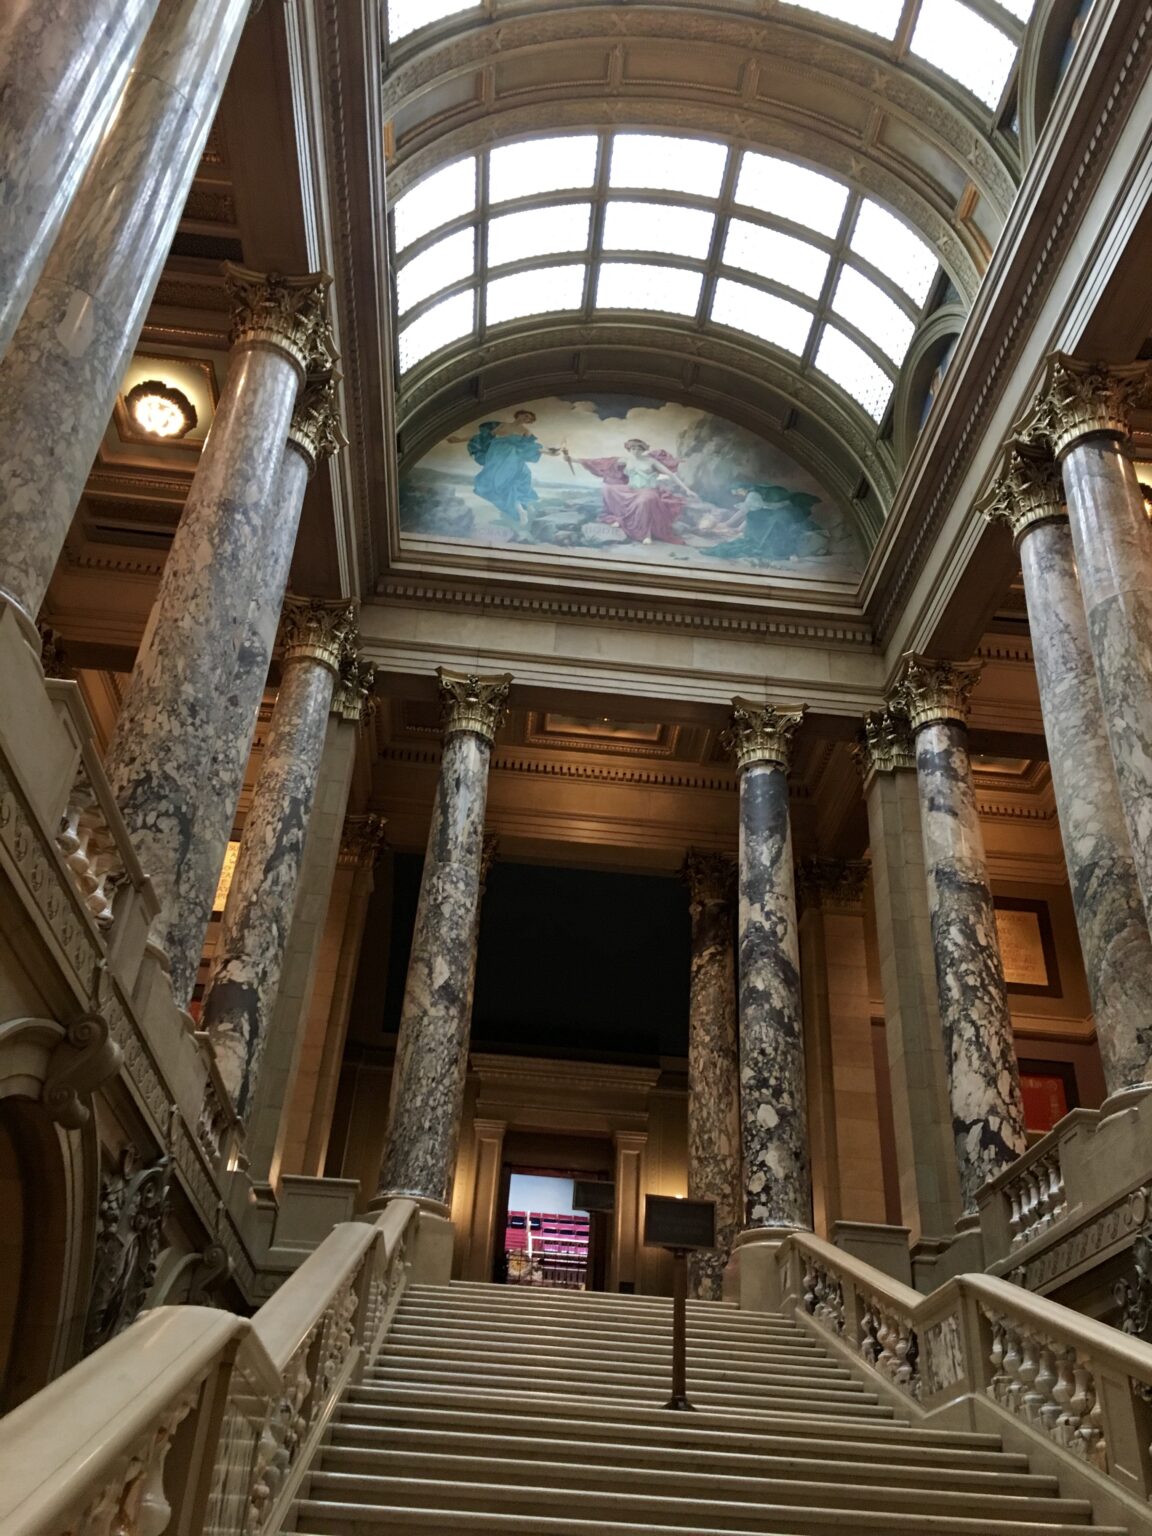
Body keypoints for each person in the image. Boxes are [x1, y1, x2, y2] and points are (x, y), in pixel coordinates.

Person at [448, 409, 560, 533]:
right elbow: (482, 437)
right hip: (495, 456)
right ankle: (519, 509)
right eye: (525, 415)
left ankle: (521, 510)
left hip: (511, 457)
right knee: (493, 484)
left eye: (529, 419)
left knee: (507, 483)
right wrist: (459, 439)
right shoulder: (501, 425)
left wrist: (549, 452)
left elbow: (531, 446)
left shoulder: (526, 431)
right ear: (519, 414)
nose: (526, 419)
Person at [564, 438, 689, 545]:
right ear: (629, 449)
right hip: (631, 489)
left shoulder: (651, 461)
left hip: (648, 490)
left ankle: (646, 535)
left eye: (639, 448)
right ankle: (621, 519)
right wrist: (572, 459)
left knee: (644, 501)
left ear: (643, 449)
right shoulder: (625, 460)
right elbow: (600, 462)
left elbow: (671, 474)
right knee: (609, 488)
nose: (636, 450)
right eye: (633, 448)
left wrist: (687, 489)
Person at [708, 482, 830, 563]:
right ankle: (787, 552)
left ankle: (786, 552)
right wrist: (739, 529)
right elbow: (751, 515)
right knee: (765, 523)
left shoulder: (752, 495)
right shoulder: (755, 495)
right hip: (777, 514)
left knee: (774, 530)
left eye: (737, 492)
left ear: (741, 489)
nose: (737, 495)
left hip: (781, 515)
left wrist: (727, 524)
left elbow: (744, 511)